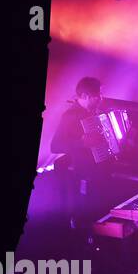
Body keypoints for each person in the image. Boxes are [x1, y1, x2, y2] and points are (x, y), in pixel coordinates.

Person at [50, 77, 107, 231]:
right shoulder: (70, 116)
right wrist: (81, 143)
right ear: (87, 96)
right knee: (84, 217)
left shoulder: (95, 113)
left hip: (97, 172)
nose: (101, 98)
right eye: (98, 96)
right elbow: (55, 146)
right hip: (80, 175)